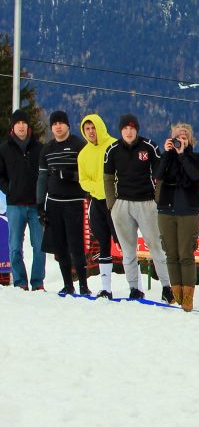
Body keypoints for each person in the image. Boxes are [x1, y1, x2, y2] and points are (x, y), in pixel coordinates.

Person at [104, 114, 172, 303]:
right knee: (128, 251)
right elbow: (108, 178)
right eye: (125, 128)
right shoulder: (112, 150)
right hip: (122, 204)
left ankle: (167, 287)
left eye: (132, 128)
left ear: (137, 130)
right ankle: (134, 288)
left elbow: (161, 174)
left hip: (147, 203)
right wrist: (112, 204)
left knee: (156, 247)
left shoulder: (149, 147)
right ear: (120, 130)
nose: (129, 131)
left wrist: (158, 199)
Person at [154, 122, 199, 311]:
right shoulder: (165, 158)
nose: (181, 138)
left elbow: (194, 175)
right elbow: (158, 175)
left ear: (190, 139)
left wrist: (182, 154)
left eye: (185, 136)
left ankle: (188, 298)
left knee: (186, 254)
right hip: (166, 211)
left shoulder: (195, 157)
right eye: (177, 136)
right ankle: (176, 295)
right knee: (171, 254)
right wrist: (168, 154)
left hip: (188, 212)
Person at [37, 110, 88, 297]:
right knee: (60, 247)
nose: (58, 127)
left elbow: (88, 173)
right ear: (51, 127)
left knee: (76, 245)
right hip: (53, 203)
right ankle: (68, 284)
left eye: (61, 123)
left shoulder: (79, 145)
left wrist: (71, 176)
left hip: (74, 201)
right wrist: (39, 204)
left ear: (67, 125)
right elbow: (42, 179)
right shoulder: (47, 149)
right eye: (54, 124)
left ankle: (83, 284)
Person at [0, 109, 45, 291]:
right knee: (15, 247)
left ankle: (37, 283)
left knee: (40, 247)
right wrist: (8, 189)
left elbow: (46, 175)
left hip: (35, 205)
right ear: (13, 126)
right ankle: (20, 283)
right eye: (17, 123)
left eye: (24, 123)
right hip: (15, 205)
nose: (21, 126)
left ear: (28, 126)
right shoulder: (4, 149)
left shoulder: (39, 148)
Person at [78, 112, 117, 298]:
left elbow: (122, 172)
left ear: (100, 127)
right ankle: (106, 288)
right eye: (87, 129)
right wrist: (98, 187)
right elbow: (83, 180)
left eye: (93, 127)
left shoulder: (114, 145)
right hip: (96, 202)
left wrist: (108, 188)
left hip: (115, 202)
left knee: (124, 243)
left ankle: (136, 286)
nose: (91, 131)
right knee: (103, 244)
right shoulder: (84, 154)